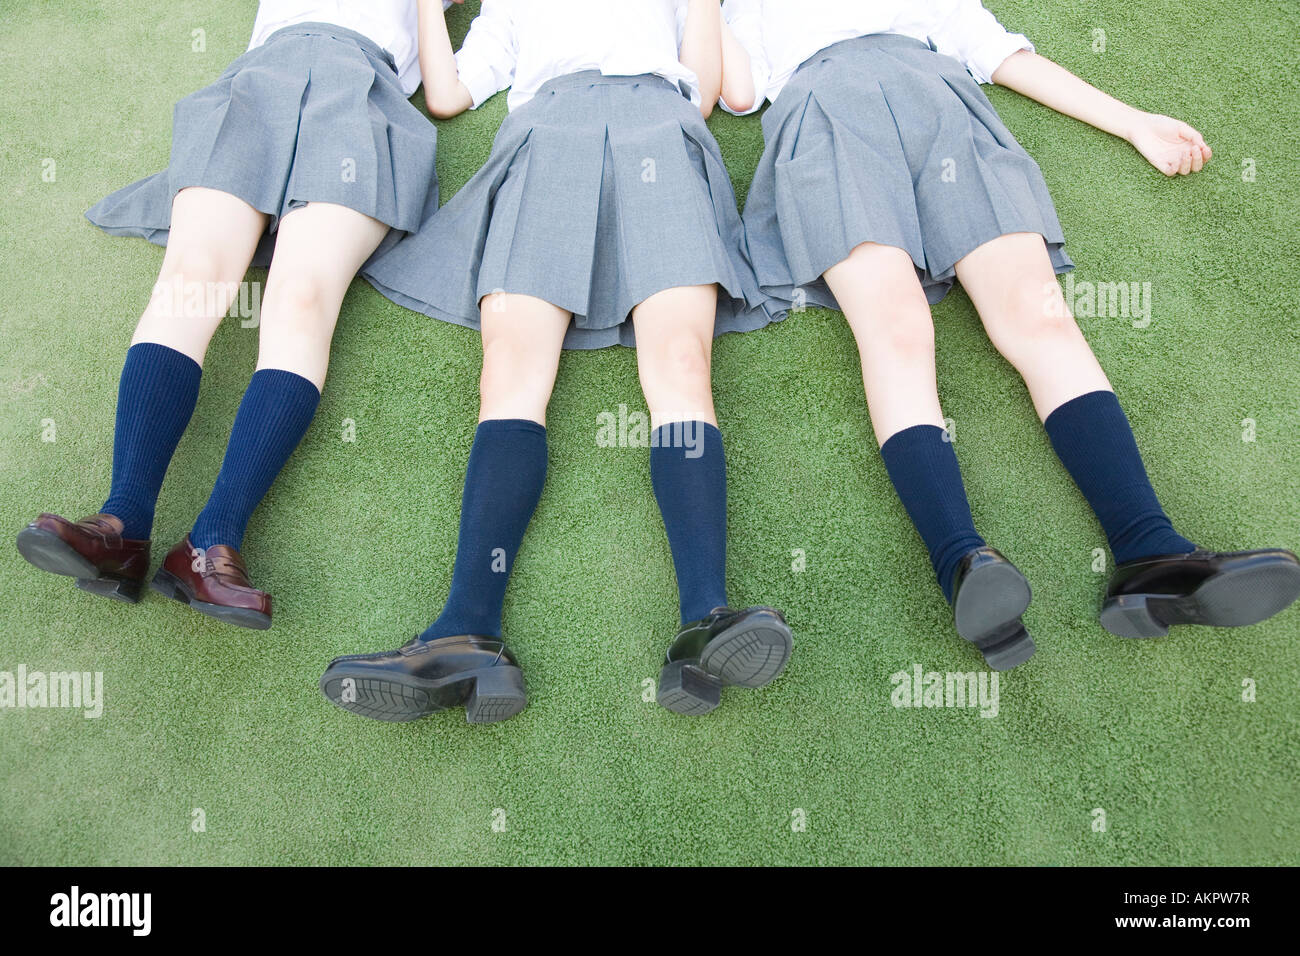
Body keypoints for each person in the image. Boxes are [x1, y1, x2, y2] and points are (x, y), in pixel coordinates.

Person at [718, 0, 1300, 669]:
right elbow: (736, 93)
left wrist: (1136, 124)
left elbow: (1000, 56)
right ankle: (961, 562)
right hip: (820, 115)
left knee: (1039, 314)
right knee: (896, 329)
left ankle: (1151, 552)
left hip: (942, 102)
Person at [318, 0, 792, 724]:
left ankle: (707, 616)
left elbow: (706, 92)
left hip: (660, 127)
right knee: (508, 368)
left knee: (682, 361)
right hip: (546, 132)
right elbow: (449, 96)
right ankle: (464, 628)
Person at [16, 1, 443, 630]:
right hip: (258, 84)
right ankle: (122, 525)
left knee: (302, 298)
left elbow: (447, 91)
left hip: (364, 99)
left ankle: (211, 542)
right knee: (192, 277)